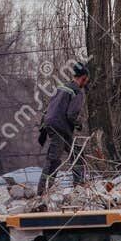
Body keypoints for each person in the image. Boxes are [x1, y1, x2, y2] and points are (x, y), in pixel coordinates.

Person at [37, 62, 88, 194]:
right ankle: (42, 190)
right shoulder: (78, 92)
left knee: (74, 153)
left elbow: (49, 107)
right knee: (54, 158)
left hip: (50, 124)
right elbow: (71, 114)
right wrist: (78, 124)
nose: (85, 83)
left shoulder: (62, 87)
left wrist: (43, 127)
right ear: (83, 78)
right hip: (60, 127)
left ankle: (73, 186)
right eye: (86, 80)